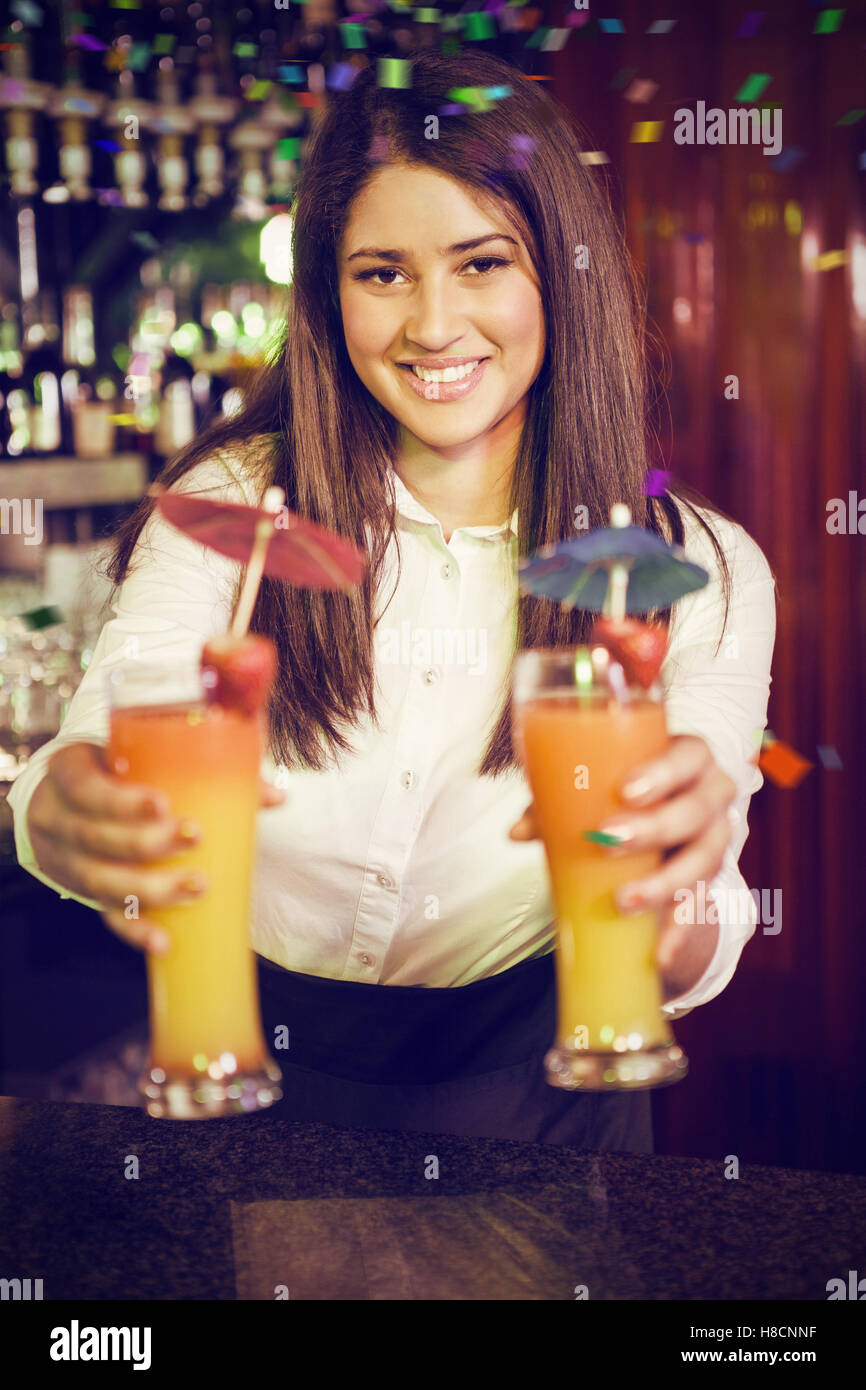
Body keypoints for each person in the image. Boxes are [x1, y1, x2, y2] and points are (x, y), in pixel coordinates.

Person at [8, 49, 777, 1150]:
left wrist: (671, 909)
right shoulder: (235, 507)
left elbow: (707, 899)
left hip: (545, 1100)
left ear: (560, 274)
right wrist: (67, 810)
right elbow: (101, 743)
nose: (430, 325)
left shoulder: (692, 569)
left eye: (479, 263)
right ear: (327, 292)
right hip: (249, 1086)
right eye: (381, 273)